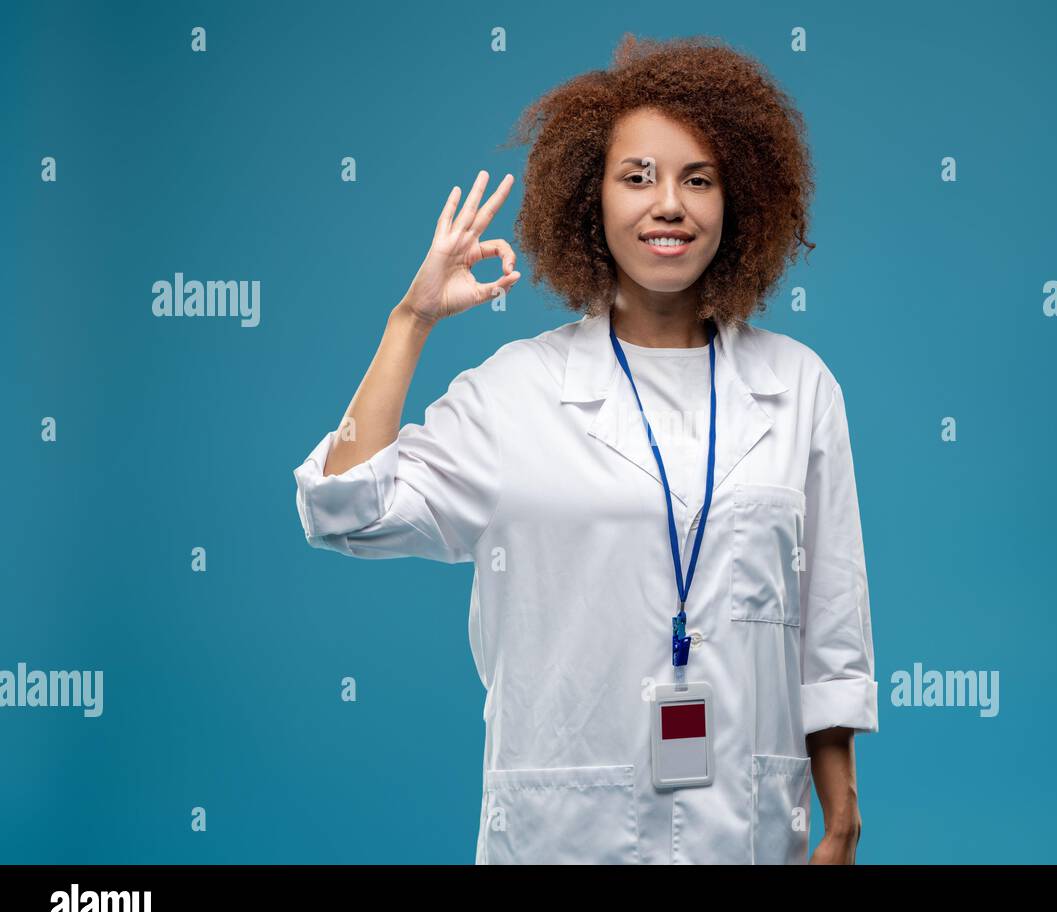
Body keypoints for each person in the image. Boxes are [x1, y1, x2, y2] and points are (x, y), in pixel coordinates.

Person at [292, 34, 878, 864]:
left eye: (698, 179)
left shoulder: (799, 386)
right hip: (560, 832)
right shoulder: (515, 391)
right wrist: (409, 321)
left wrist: (842, 813)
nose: (667, 204)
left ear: (738, 201)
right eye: (636, 177)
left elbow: (831, 618)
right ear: (589, 200)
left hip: (744, 832)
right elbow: (344, 509)